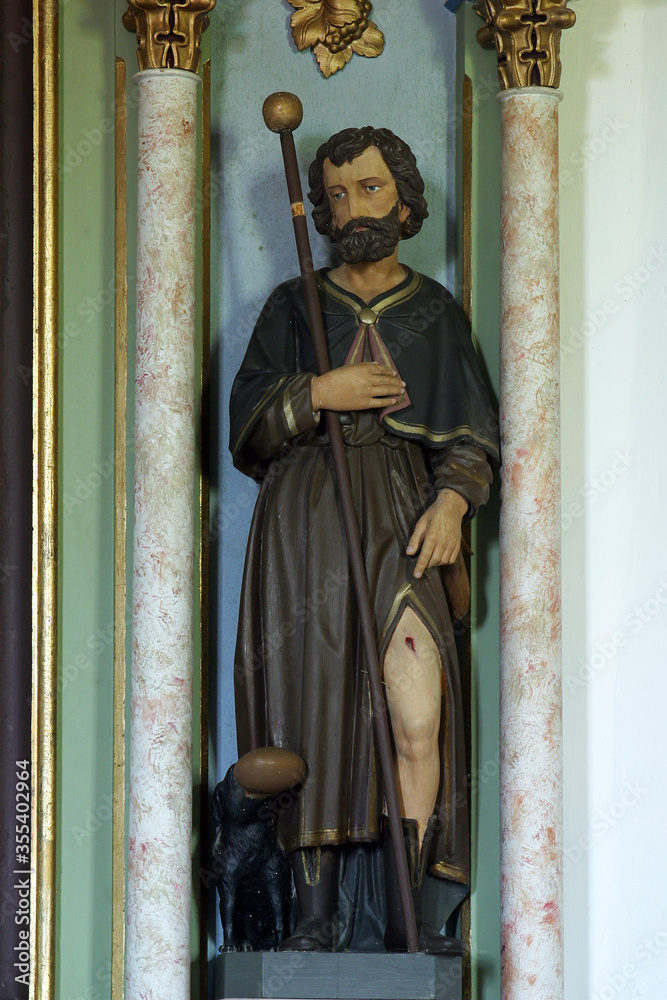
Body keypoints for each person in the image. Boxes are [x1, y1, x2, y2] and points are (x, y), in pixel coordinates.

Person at [228, 126, 498, 953]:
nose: (353, 210)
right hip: (307, 515)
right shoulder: (290, 304)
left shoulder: (433, 311)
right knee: (312, 707)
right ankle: (312, 919)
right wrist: (319, 390)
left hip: (402, 513)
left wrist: (452, 503)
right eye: (337, 194)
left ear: (405, 200)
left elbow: (472, 435)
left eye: (370, 189)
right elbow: (245, 427)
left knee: (417, 717)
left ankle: (408, 912)